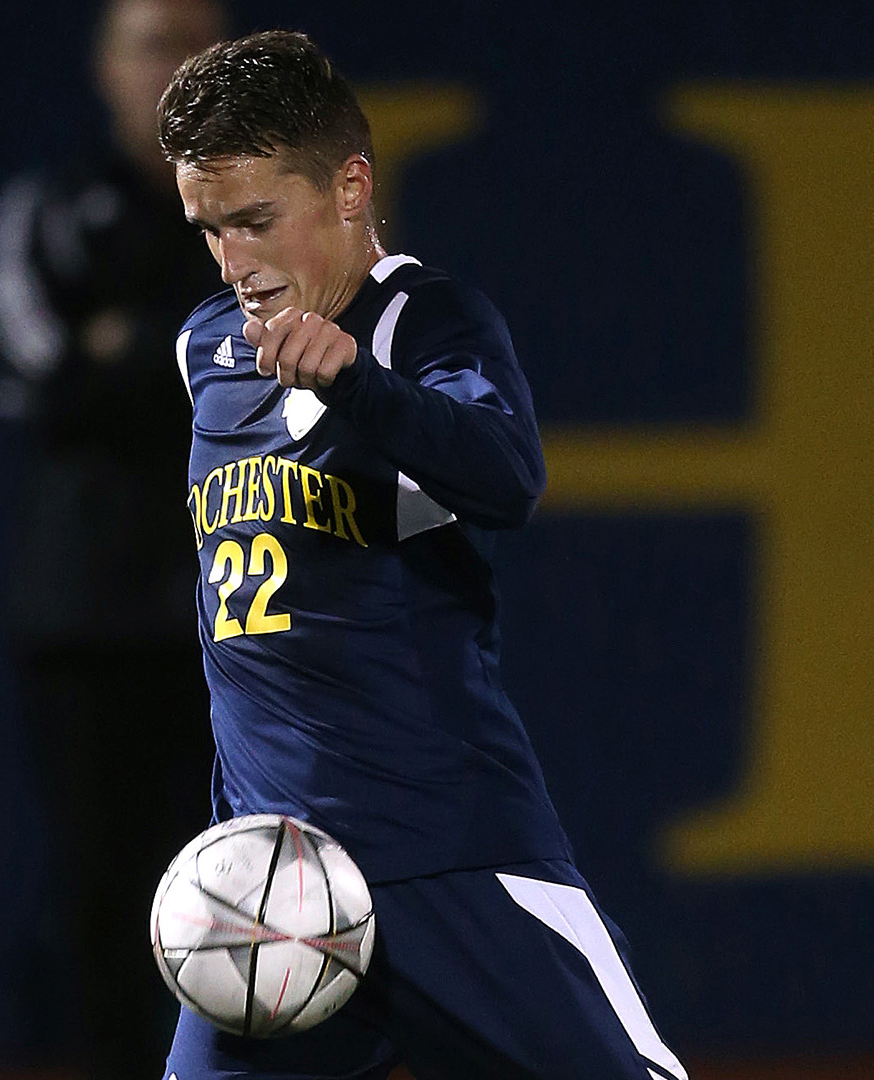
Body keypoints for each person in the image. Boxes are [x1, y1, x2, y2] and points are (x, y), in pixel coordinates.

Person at [153, 30, 689, 1080]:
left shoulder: (424, 324)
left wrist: (358, 383)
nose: (233, 259)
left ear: (351, 187)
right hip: (278, 888)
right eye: (208, 228)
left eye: (257, 220)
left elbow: (506, 476)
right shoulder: (203, 350)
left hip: (445, 852)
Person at [0, 0, 225, 1073]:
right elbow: (56, 384)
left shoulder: (269, 218)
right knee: (98, 894)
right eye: (152, 44)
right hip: (84, 617)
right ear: (106, 66)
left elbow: (302, 372)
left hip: (241, 614)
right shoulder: (49, 210)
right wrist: (184, 352)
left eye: (198, 43)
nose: (177, 69)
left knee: (246, 897)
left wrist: (128, 340)